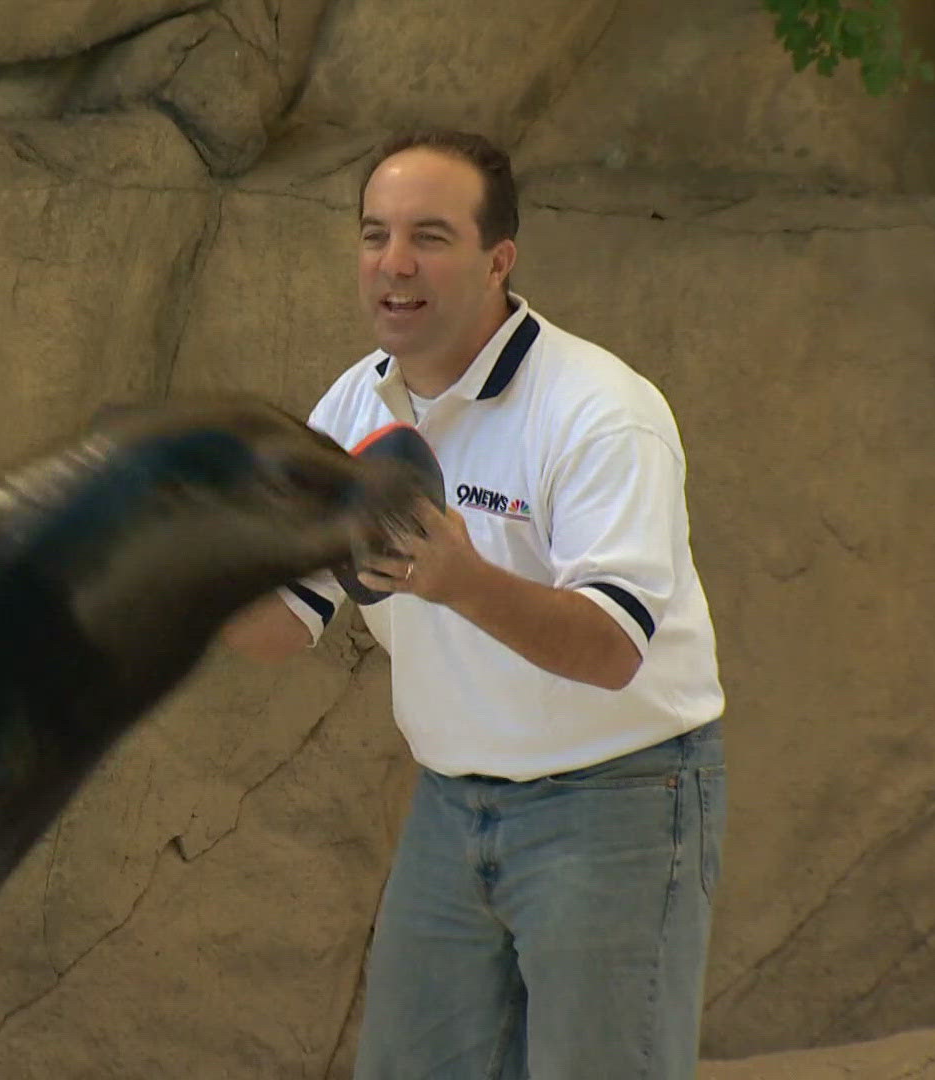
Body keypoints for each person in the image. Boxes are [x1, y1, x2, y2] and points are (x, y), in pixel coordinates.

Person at [222, 129, 727, 1078]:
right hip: (452, 803)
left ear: (499, 261)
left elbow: (613, 648)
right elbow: (283, 625)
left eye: (430, 237)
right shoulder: (353, 409)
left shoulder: (600, 411)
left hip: (619, 798)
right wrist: (180, 565)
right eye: (374, 235)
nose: (394, 264)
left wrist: (460, 580)